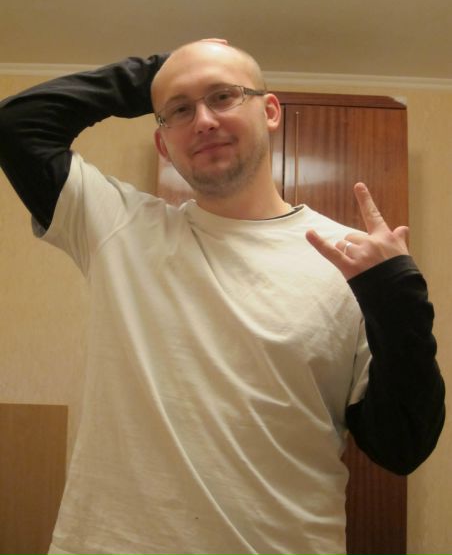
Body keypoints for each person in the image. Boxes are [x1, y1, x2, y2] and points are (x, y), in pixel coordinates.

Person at [0, 40, 445, 555]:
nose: (204, 121)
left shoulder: (354, 260)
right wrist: (164, 69)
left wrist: (397, 300)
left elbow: (401, 446)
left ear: (270, 111)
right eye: (180, 110)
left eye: (223, 96)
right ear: (163, 144)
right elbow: (17, 124)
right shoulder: (117, 226)